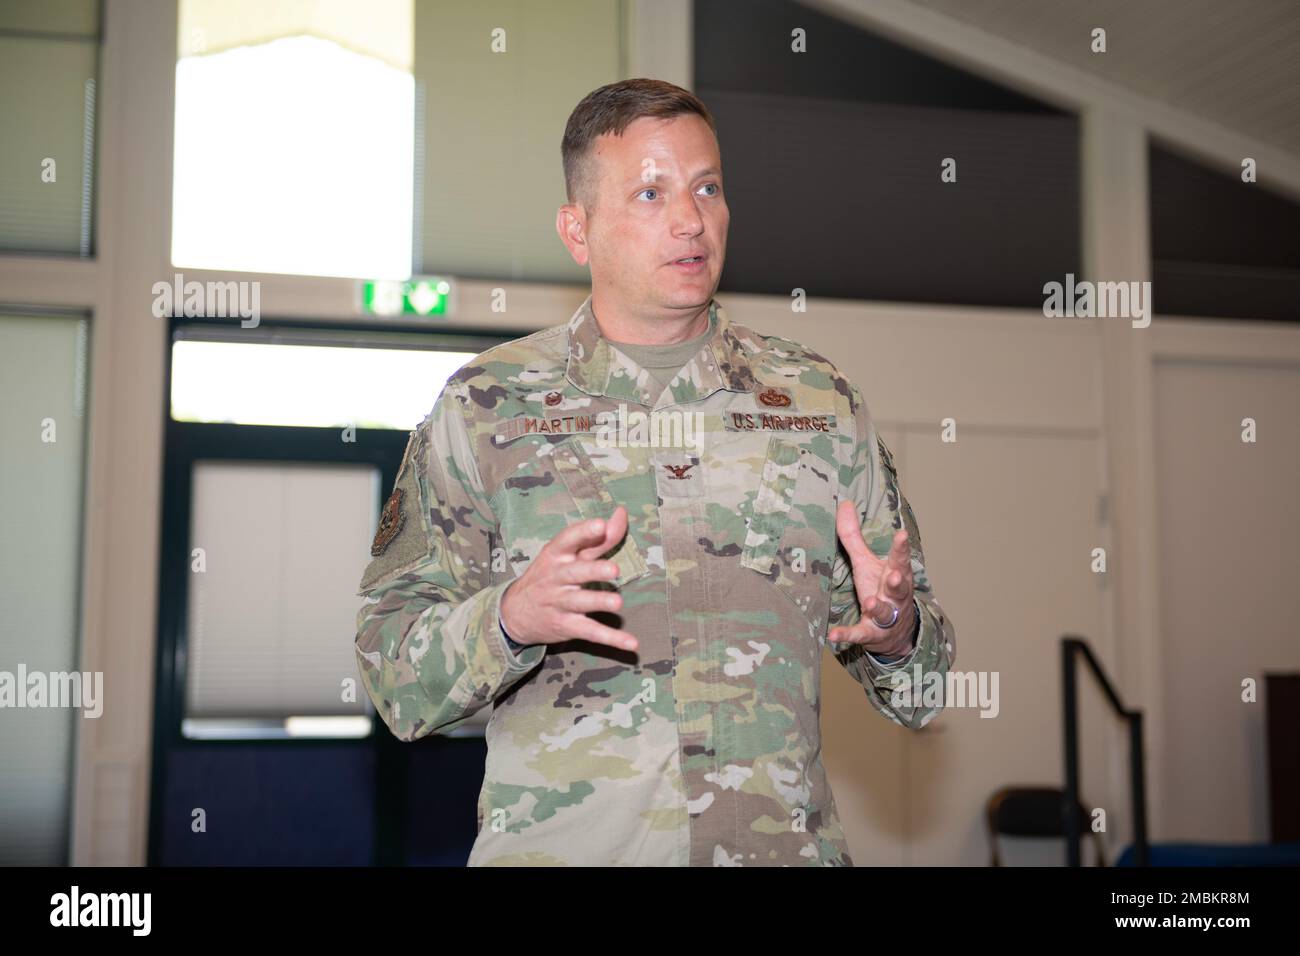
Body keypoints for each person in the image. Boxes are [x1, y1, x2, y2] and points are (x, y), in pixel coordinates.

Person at [354, 78, 957, 866]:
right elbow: (393, 676)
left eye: (708, 187)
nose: (690, 219)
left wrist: (897, 630)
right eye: (650, 192)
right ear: (579, 230)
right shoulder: (486, 407)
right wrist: (508, 618)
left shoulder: (819, 404)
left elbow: (923, 691)